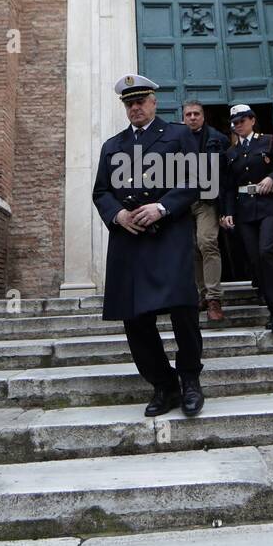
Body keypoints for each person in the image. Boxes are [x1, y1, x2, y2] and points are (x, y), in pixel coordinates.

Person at [93, 75, 206, 417]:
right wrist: (117, 215)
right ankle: (163, 384)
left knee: (183, 311)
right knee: (134, 318)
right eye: (129, 103)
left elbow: (197, 180)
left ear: (154, 102)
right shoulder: (112, 146)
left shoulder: (178, 135)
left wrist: (162, 206)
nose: (135, 108)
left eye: (141, 101)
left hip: (169, 234)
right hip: (130, 240)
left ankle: (189, 381)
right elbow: (101, 192)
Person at [220, 104, 273, 333]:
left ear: (252, 120)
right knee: (255, 258)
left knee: (267, 251)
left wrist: (272, 178)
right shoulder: (231, 153)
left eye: (242, 121)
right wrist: (228, 213)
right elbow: (228, 187)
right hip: (244, 211)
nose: (238, 125)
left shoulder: (268, 142)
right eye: (234, 123)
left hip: (270, 206)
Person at [181, 99, 228, 322]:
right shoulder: (173, 139)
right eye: (188, 114)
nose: (192, 117)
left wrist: (227, 208)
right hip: (180, 202)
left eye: (196, 114)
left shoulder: (218, 139)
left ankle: (213, 299)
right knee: (191, 248)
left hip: (206, 201)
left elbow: (228, 175)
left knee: (207, 242)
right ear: (183, 117)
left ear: (203, 116)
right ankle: (200, 294)